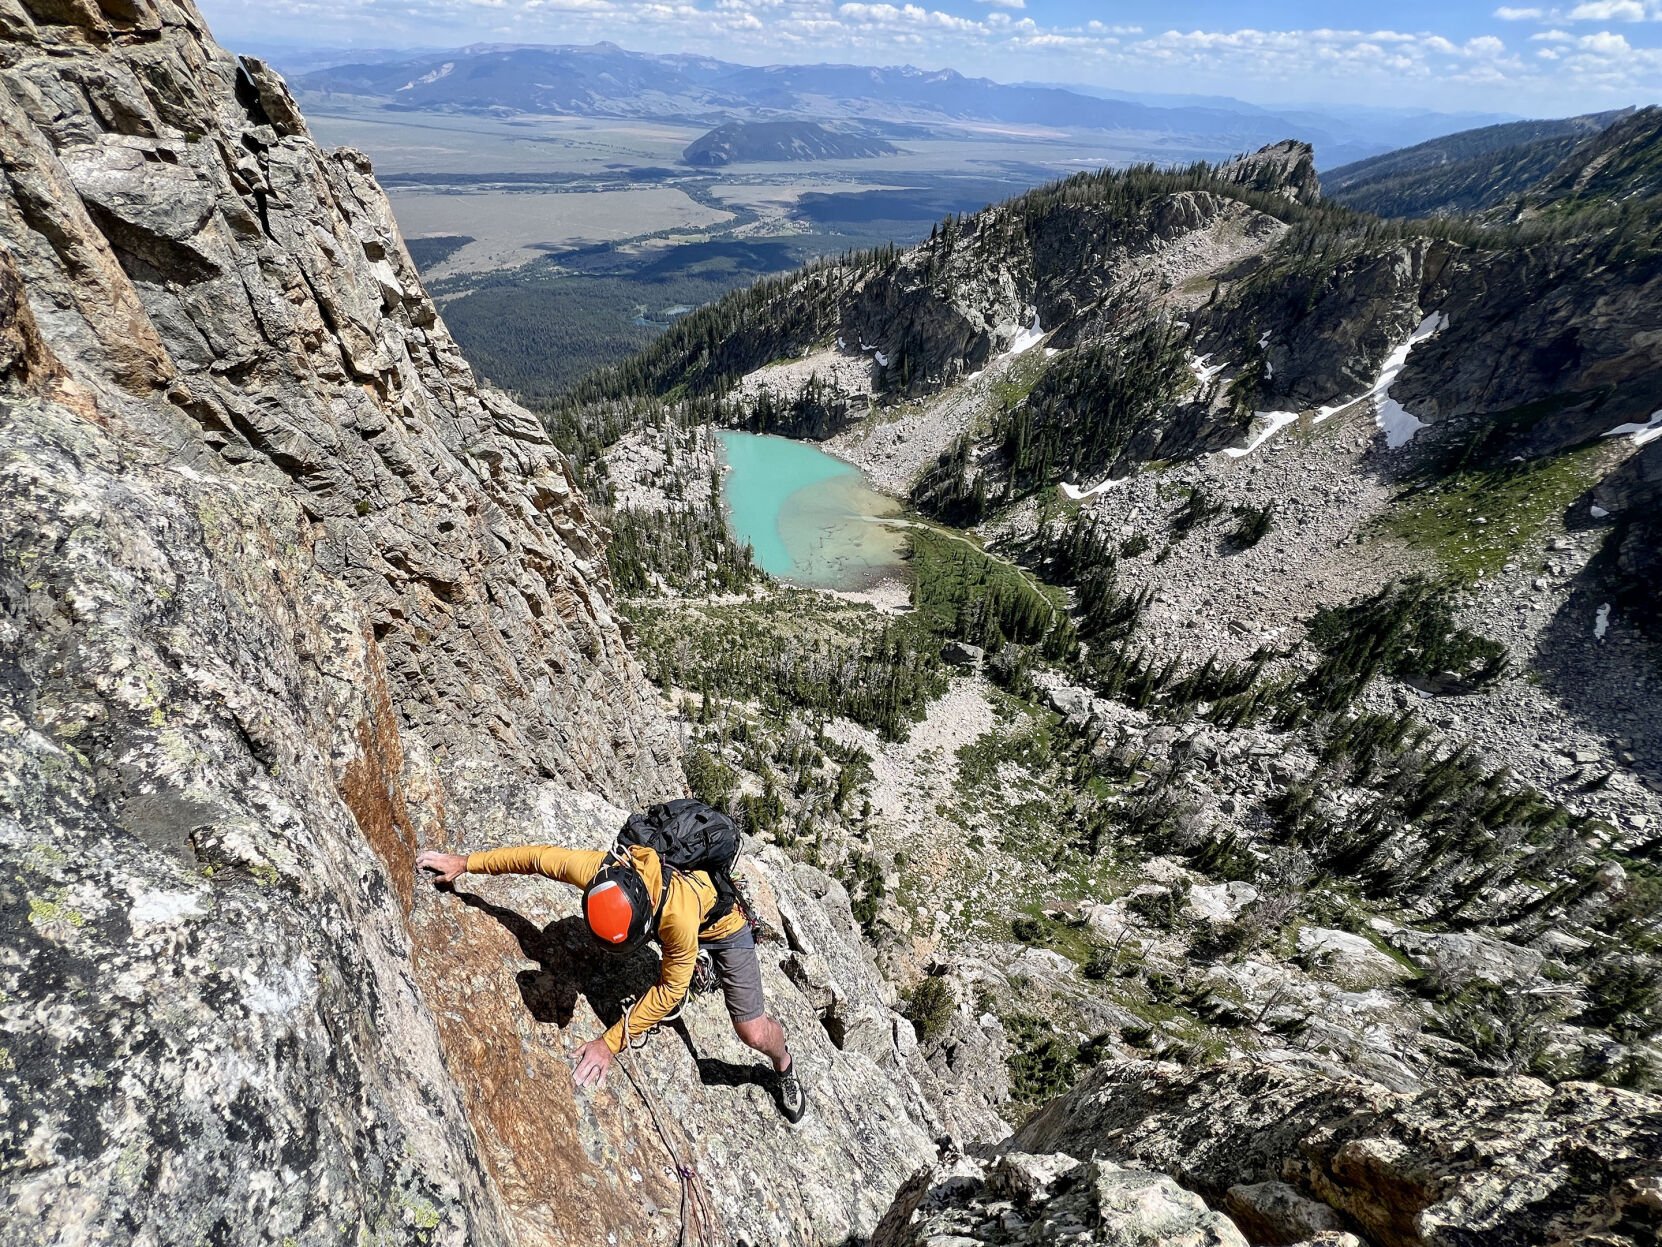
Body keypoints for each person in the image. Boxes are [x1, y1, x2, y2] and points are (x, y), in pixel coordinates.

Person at [416, 839, 806, 1124]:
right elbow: (535, 859)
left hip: (721, 925)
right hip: (673, 920)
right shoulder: (600, 872)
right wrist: (467, 863)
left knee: (752, 1033)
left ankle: (784, 1063)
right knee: (677, 964)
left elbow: (669, 991)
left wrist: (609, 1043)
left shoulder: (678, 921)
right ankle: (692, 965)